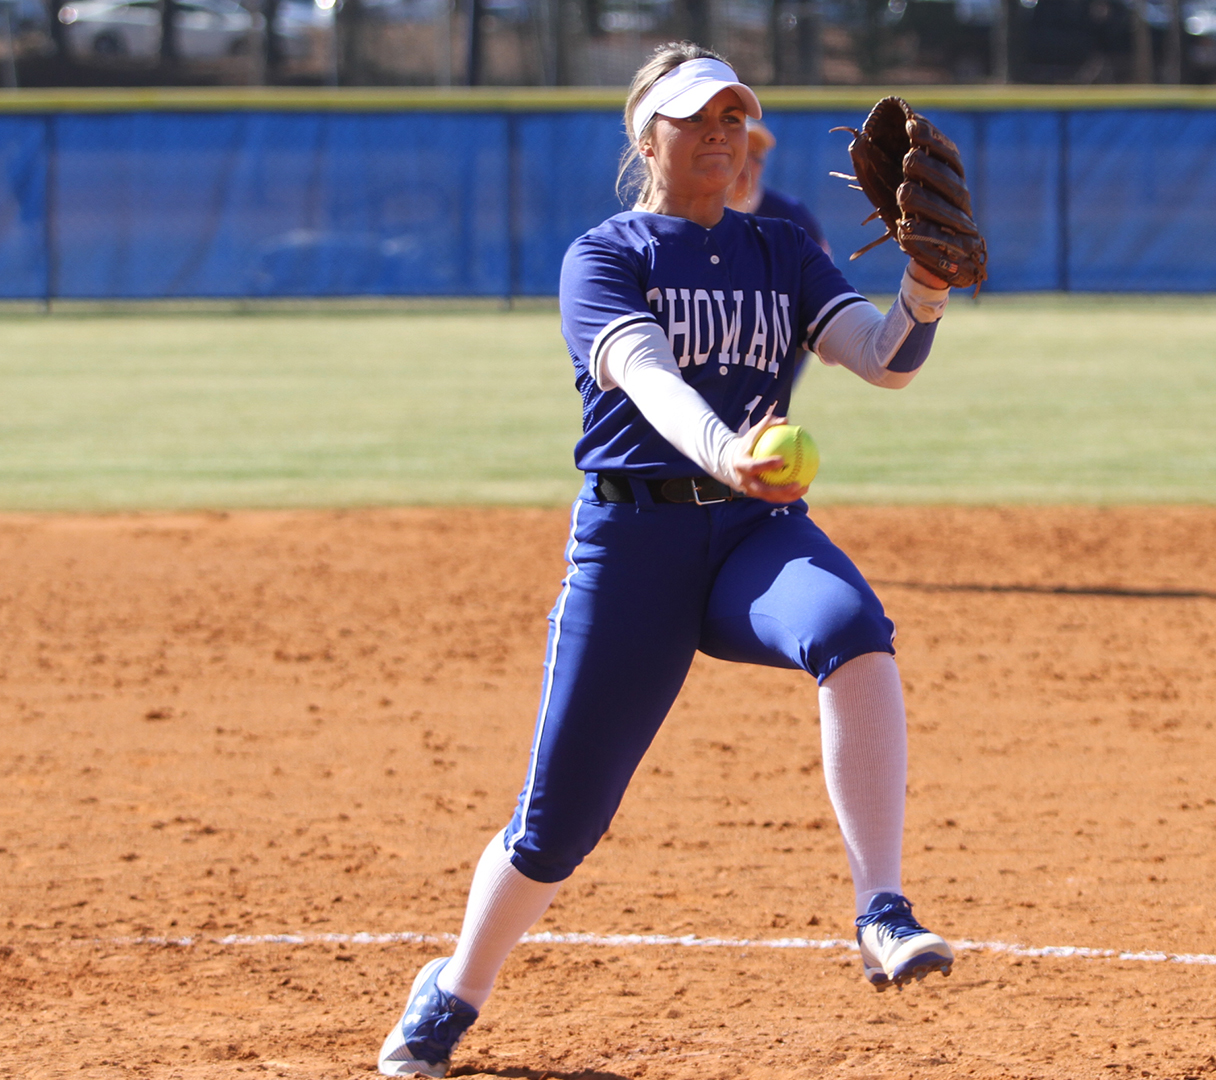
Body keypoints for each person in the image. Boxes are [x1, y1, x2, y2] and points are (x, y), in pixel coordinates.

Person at [377, 43, 959, 1079]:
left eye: (736, 116)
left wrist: (923, 293)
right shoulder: (604, 256)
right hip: (631, 544)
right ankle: (453, 989)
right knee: (558, 825)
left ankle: (882, 910)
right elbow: (645, 377)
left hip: (750, 538)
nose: (724, 134)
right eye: (700, 118)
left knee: (853, 631)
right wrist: (728, 449)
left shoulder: (781, 246)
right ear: (650, 135)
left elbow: (879, 360)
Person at [730, 118, 830, 255]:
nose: (747, 164)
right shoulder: (697, 214)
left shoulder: (790, 216)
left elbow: (821, 273)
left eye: (755, 154)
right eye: (739, 152)